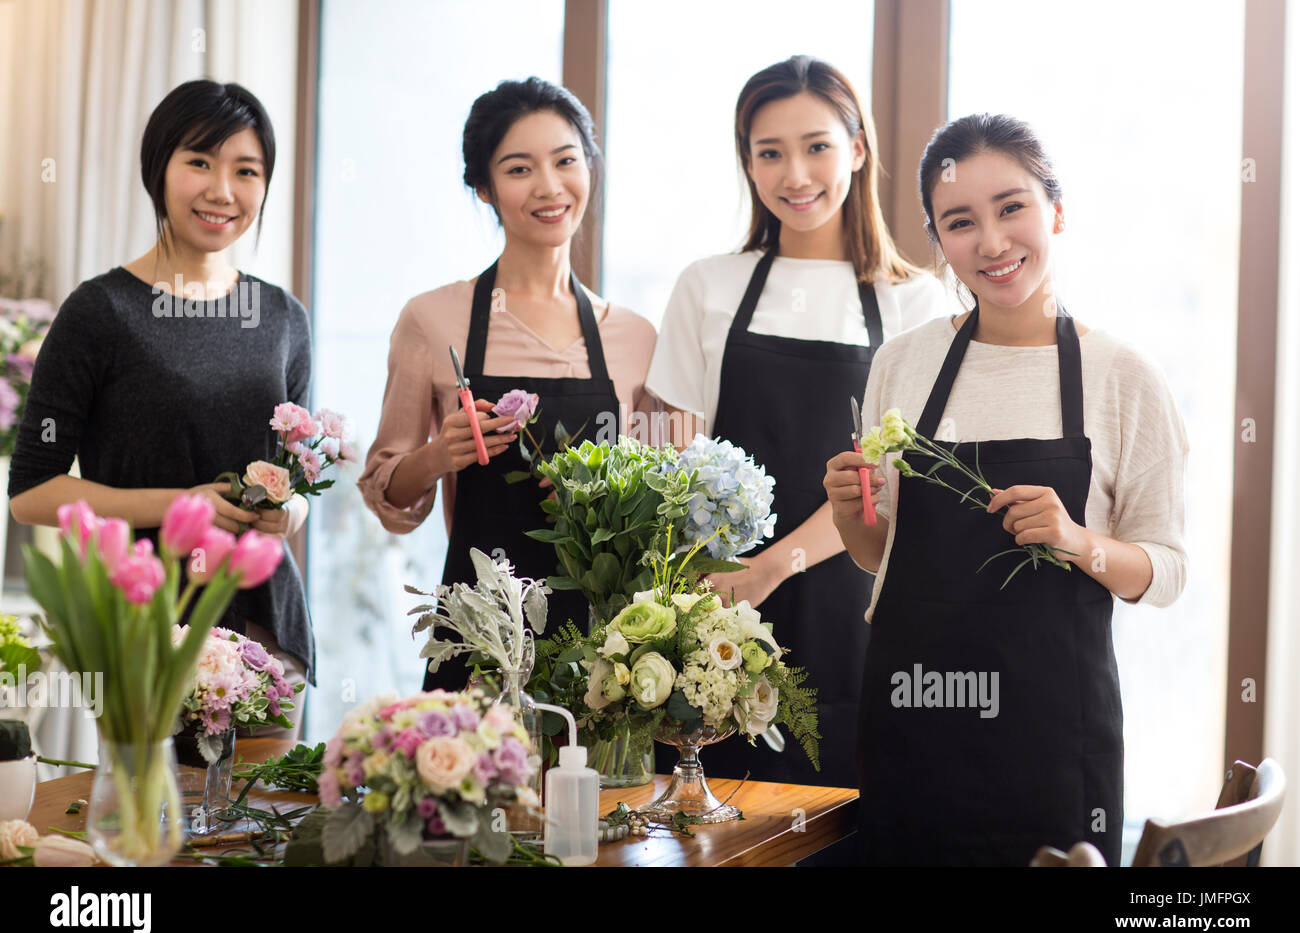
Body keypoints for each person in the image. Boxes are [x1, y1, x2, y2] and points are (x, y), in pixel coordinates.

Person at [825, 113, 1189, 865]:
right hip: (912, 728)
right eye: (960, 222)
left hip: (1052, 752)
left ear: (1056, 211)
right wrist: (847, 511)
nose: (990, 243)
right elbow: (878, 559)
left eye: (1012, 208)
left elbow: (1166, 573)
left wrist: (1076, 539)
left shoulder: (1123, 378)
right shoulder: (903, 363)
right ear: (939, 242)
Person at [644, 56, 952, 789]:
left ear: (858, 148)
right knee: (703, 816)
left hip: (857, 601)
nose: (796, 174)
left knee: (842, 812)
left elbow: (897, 479)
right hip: (718, 603)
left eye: (817, 146)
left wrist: (774, 565)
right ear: (746, 164)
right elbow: (673, 465)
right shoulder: (707, 286)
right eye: (769, 152)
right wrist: (719, 581)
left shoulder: (917, 303)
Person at [8, 80, 314, 740]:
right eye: (199, 162)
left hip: (267, 615)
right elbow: (32, 493)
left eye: (246, 171)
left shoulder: (284, 318)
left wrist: (291, 512)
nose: (222, 191)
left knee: (264, 827)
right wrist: (183, 506)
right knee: (156, 832)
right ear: (159, 169)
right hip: (149, 616)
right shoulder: (101, 312)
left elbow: (299, 476)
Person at [357, 77, 658, 692]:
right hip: (478, 632)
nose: (550, 187)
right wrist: (440, 456)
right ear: (484, 187)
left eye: (566, 161)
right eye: (520, 169)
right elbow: (386, 491)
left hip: (608, 645)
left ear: (590, 170)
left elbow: (656, 505)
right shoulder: (432, 319)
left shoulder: (634, 337)